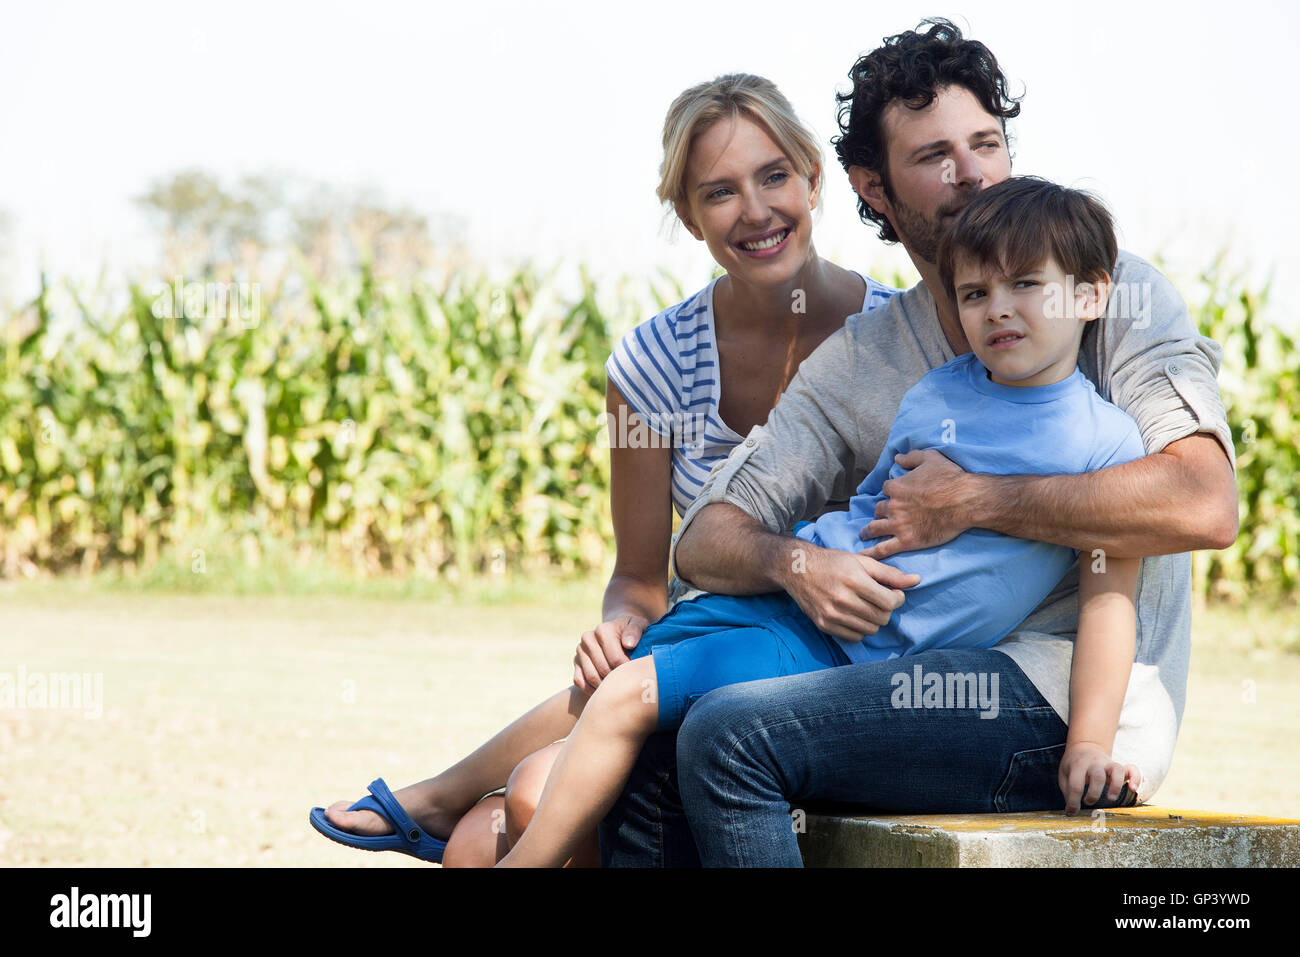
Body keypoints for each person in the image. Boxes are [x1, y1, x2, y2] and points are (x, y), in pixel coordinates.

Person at [599, 19, 1238, 868]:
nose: (971, 172)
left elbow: (1204, 500)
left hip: (1066, 703)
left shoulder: (1110, 295)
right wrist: (801, 565)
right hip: (893, 679)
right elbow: (708, 535)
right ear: (873, 189)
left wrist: (977, 500)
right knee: (648, 745)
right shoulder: (870, 356)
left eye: (986, 142)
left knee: (726, 731)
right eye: (935, 155)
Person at [308, 73, 899, 865]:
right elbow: (638, 574)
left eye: (774, 176)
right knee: (481, 840)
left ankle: (442, 793)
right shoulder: (654, 361)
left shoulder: (896, 338)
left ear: (813, 179)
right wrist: (621, 623)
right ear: (689, 218)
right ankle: (448, 801)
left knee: (521, 801)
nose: (755, 211)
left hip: (823, 673)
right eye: (719, 192)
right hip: (692, 647)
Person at [495, 176, 1146, 867]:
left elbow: (1110, 602)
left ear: (1091, 293)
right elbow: (868, 508)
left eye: (1025, 285)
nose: (998, 310)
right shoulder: (937, 391)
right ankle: (466, 804)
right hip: (789, 598)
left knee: (629, 699)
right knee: (606, 699)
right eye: (975, 293)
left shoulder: (1103, 443)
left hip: (848, 649)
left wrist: (1088, 743)